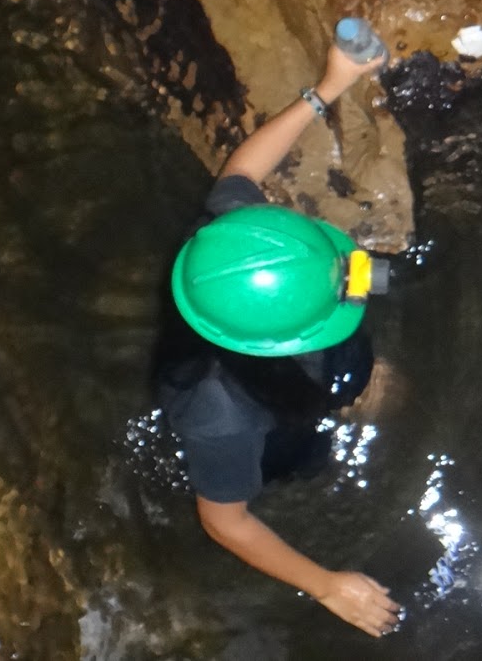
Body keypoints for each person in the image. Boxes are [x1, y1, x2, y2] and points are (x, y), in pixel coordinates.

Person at [156, 36, 401, 638]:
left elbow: (241, 170)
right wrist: (325, 586)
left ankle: (353, 392)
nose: (360, 283)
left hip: (276, 362)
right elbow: (224, 521)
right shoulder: (221, 418)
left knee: (376, 384)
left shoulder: (223, 248)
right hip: (270, 424)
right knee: (319, 448)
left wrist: (329, 88)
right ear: (287, 344)